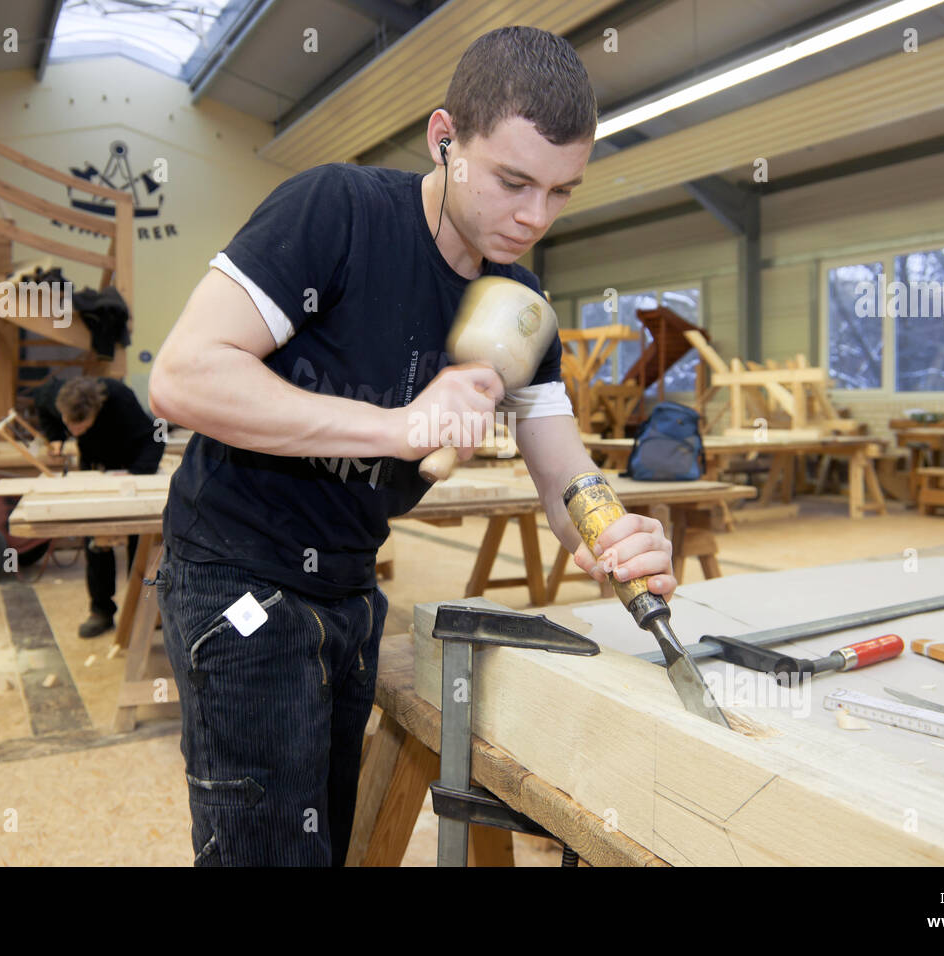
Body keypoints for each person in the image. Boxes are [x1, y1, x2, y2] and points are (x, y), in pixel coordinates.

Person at [148, 26, 678, 867]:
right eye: (512, 182)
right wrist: (400, 427)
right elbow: (183, 378)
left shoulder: (520, 303)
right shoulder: (338, 212)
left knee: (325, 835)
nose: (534, 217)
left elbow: (565, 476)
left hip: (353, 587)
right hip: (237, 575)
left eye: (561, 192)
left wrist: (617, 534)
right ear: (445, 140)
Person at [31, 376, 164, 636]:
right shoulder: (55, 394)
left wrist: (135, 473)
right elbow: (43, 409)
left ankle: (139, 610)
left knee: (139, 541)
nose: (73, 430)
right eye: (68, 423)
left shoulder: (121, 399)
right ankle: (101, 611)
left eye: (79, 425)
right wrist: (56, 436)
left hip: (130, 462)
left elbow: (154, 439)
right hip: (96, 462)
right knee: (95, 540)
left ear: (96, 412)